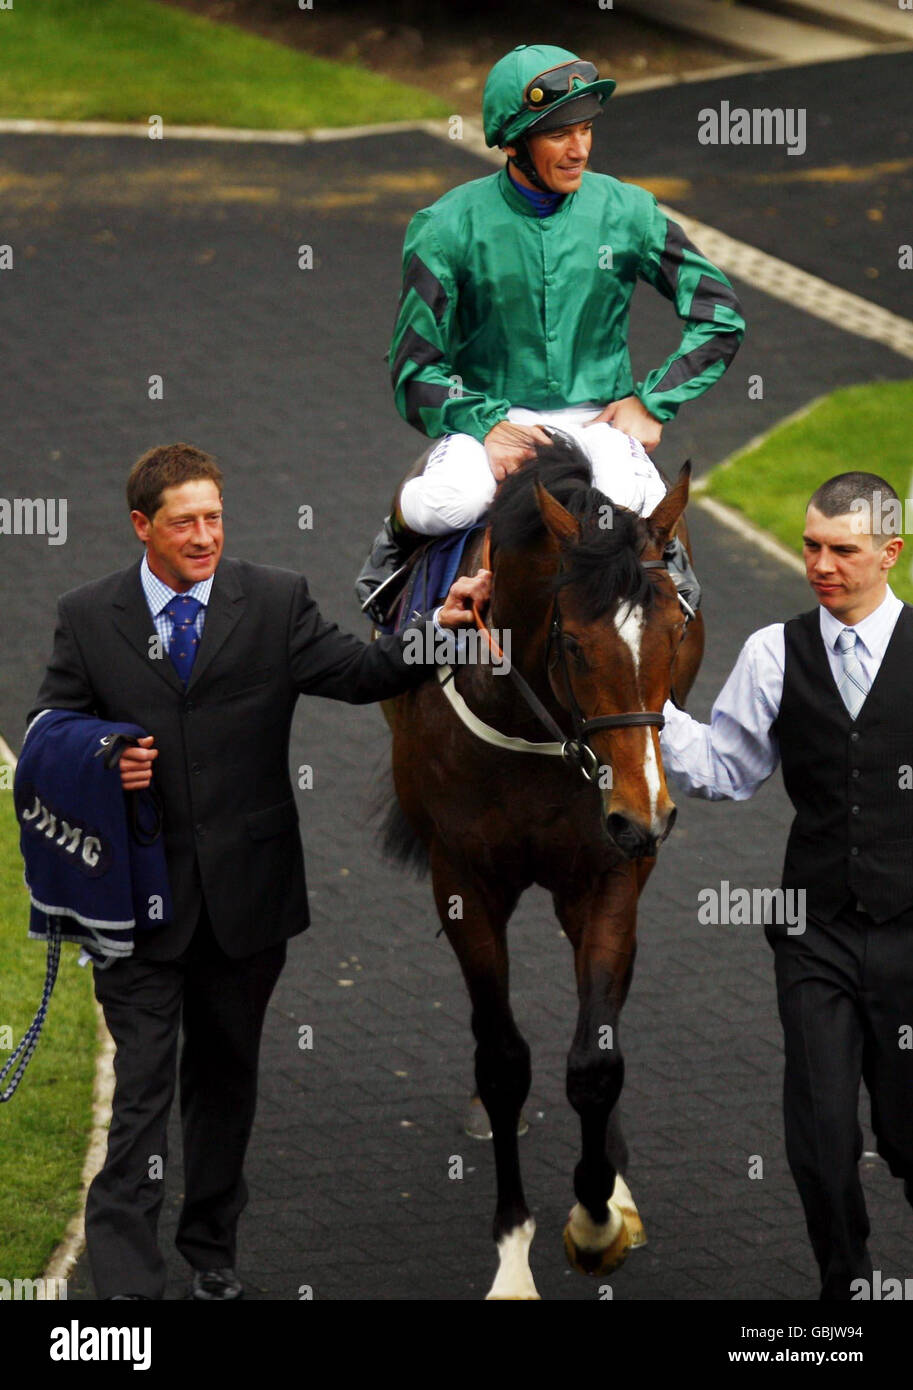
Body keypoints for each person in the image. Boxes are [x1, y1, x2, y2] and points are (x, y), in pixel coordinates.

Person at [26, 442, 488, 1301]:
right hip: (139, 908)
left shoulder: (273, 600)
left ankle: (211, 1255)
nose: (204, 536)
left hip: (249, 904)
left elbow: (360, 673)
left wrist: (439, 630)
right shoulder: (87, 616)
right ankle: (128, 1283)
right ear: (142, 526)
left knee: (225, 1081)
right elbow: (48, 725)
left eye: (214, 517)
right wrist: (101, 752)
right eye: (184, 522)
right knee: (141, 1092)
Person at [356, 41, 745, 617]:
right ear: (514, 141)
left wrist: (654, 400)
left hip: (599, 420)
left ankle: (673, 606)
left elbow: (720, 316)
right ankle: (394, 551)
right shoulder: (444, 228)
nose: (579, 148)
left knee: (637, 502)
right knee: (447, 502)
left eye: (586, 128)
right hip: (489, 420)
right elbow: (414, 370)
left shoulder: (631, 212)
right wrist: (483, 424)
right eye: (558, 134)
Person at [658, 471, 913, 1301]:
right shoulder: (774, 652)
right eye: (810, 546)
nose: (820, 564)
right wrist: (642, 712)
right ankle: (845, 1290)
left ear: (889, 554)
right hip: (815, 936)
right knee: (820, 1134)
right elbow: (726, 771)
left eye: (842, 550)